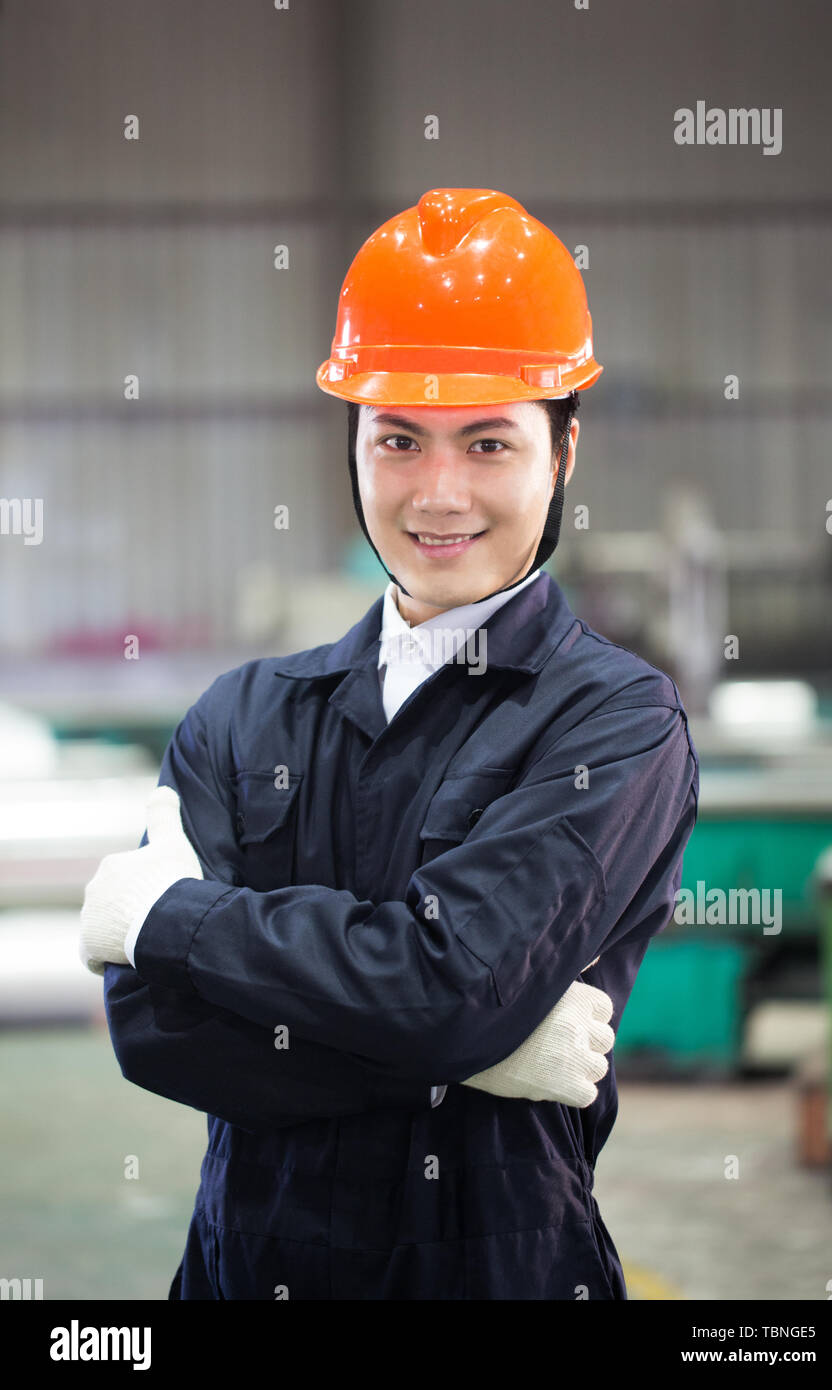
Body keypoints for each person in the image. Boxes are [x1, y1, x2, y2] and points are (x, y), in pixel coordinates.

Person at [80, 187, 699, 1301]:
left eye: (489, 441)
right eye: (399, 438)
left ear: (562, 450)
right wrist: (469, 1054)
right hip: (245, 1271)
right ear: (353, 441)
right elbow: (151, 1026)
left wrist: (176, 921)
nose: (437, 491)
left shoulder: (613, 721)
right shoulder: (243, 714)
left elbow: (445, 990)